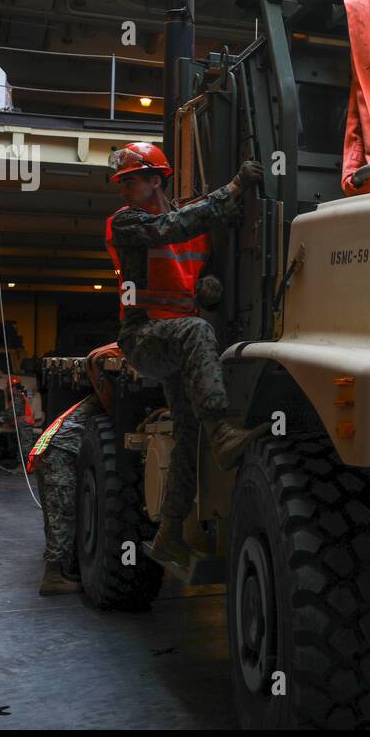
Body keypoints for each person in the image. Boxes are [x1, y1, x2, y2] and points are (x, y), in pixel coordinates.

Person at [104, 141, 268, 563]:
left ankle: (170, 531)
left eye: (130, 181)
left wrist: (209, 284)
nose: (122, 189)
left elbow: (202, 236)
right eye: (121, 182)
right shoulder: (126, 222)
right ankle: (223, 434)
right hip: (143, 336)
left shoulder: (190, 218)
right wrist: (232, 187)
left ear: (155, 180)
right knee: (197, 331)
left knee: (186, 436)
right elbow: (168, 230)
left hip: (174, 339)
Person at [26, 395, 102, 596]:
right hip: (59, 456)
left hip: (52, 453)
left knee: (55, 517)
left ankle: (60, 571)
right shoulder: (102, 400)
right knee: (62, 516)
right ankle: (53, 577)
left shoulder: (85, 403)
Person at [8, 376, 38, 453]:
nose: (11, 390)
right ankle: (22, 463)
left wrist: (2, 417)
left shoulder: (18, 397)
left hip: (24, 423)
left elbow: (13, 412)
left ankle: (25, 463)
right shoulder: (23, 395)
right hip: (24, 422)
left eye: (12, 387)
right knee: (23, 444)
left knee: (26, 446)